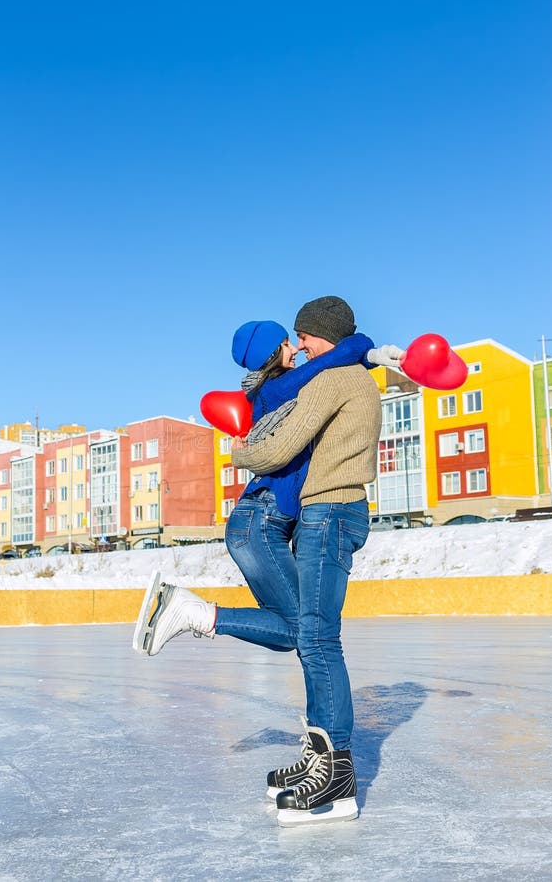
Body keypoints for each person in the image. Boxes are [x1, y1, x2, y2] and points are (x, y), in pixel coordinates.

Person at [132, 297, 400, 826]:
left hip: (328, 511)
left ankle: (335, 773)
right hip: (329, 511)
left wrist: (240, 451)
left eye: (303, 335)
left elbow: (279, 449)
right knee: (310, 634)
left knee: (315, 637)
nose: (299, 345)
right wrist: (371, 354)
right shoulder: (344, 376)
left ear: (322, 335)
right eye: (291, 338)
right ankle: (324, 758)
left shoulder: (332, 379)